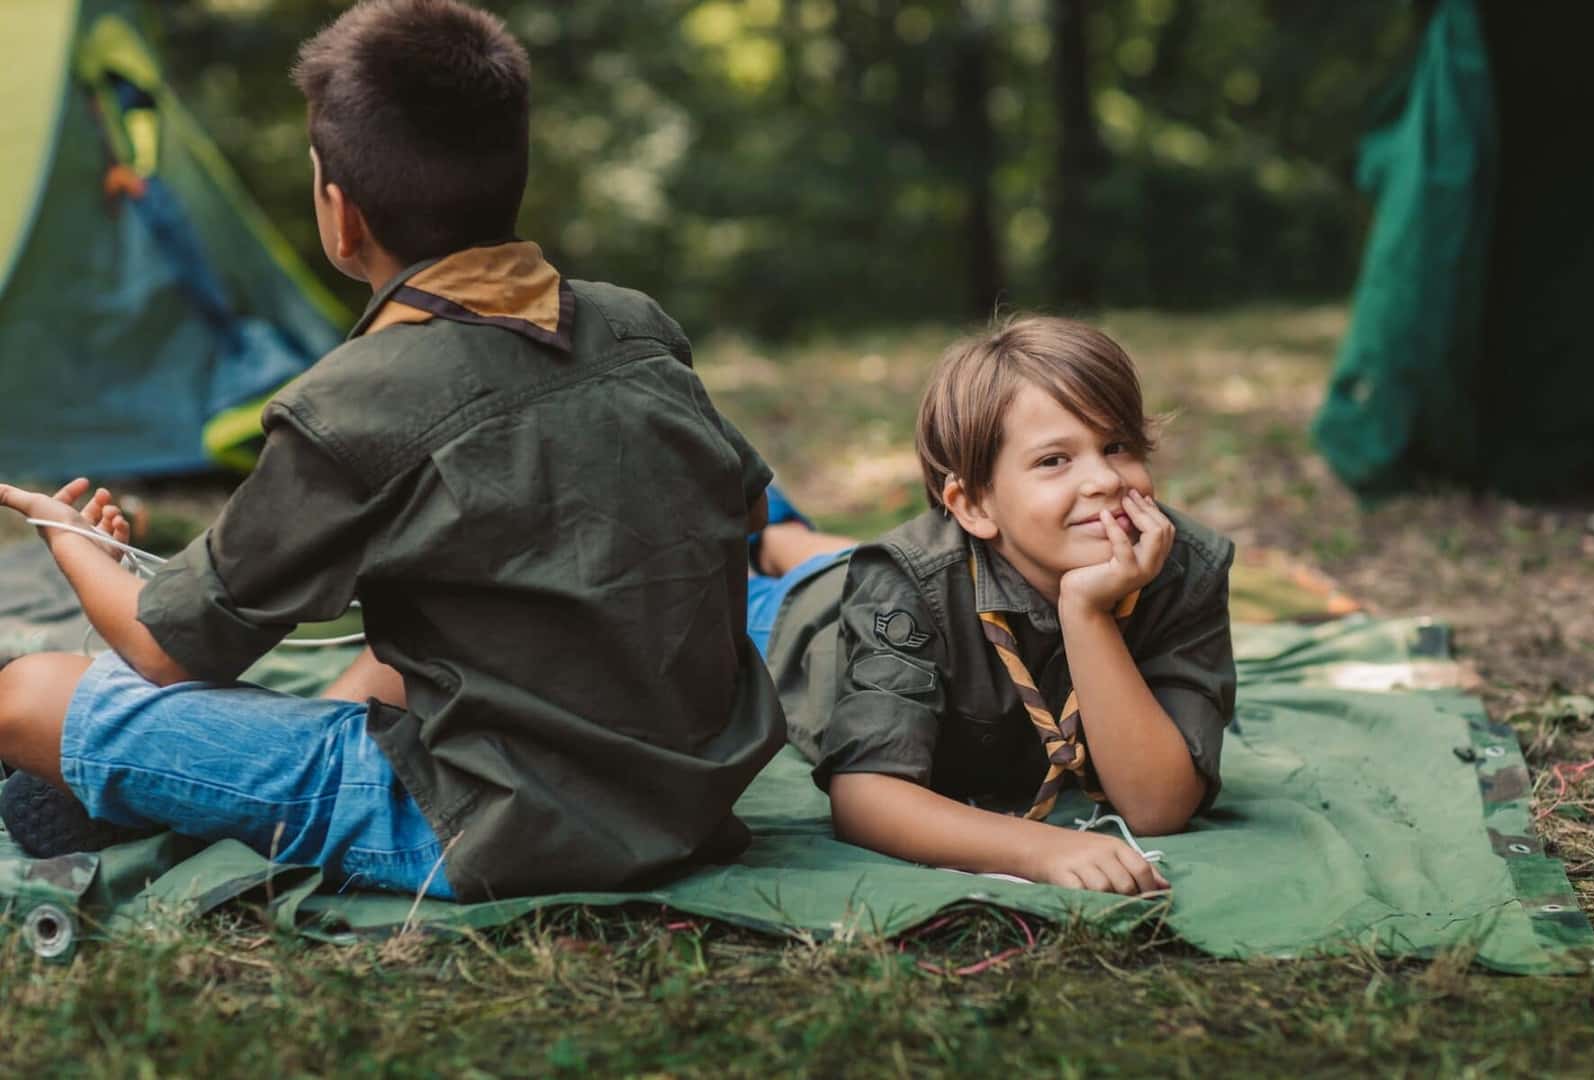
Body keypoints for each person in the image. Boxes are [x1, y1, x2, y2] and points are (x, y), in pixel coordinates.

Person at [0, 0, 783, 902]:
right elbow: (740, 510)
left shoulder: (354, 403)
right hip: (690, 790)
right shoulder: (636, 327)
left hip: (489, 823)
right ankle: (189, 781)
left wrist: (75, 545)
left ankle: (175, 787)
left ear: (341, 213)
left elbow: (167, 649)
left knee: (29, 695)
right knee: (391, 650)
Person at [750, 317, 1235, 896]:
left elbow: (1158, 808)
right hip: (795, 618)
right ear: (974, 504)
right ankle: (761, 520)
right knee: (734, 560)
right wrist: (1043, 849)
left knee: (845, 554)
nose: (1104, 479)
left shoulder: (1185, 565)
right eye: (1055, 460)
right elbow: (864, 796)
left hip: (944, 561)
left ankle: (780, 535)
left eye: (1117, 446)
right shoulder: (902, 579)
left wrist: (1085, 613)